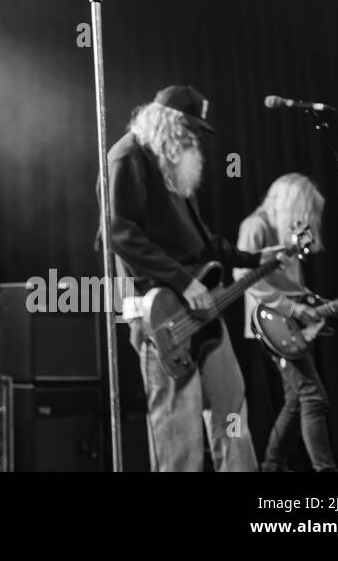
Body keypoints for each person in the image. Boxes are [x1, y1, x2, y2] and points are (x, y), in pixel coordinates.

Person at [105, 85, 262, 471]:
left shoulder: (171, 165)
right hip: (164, 309)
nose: (194, 138)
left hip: (202, 306)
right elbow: (120, 233)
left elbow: (202, 241)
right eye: (189, 128)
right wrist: (183, 281)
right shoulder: (127, 156)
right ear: (166, 121)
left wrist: (256, 257)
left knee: (231, 405)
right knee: (178, 428)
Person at [236, 173, 338, 472]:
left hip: (289, 325)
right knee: (314, 396)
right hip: (271, 326)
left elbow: (291, 286)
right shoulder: (255, 226)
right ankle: (326, 468)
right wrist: (294, 310)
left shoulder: (287, 234)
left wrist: (324, 306)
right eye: (304, 210)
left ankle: (271, 464)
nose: (307, 220)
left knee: (296, 399)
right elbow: (244, 280)